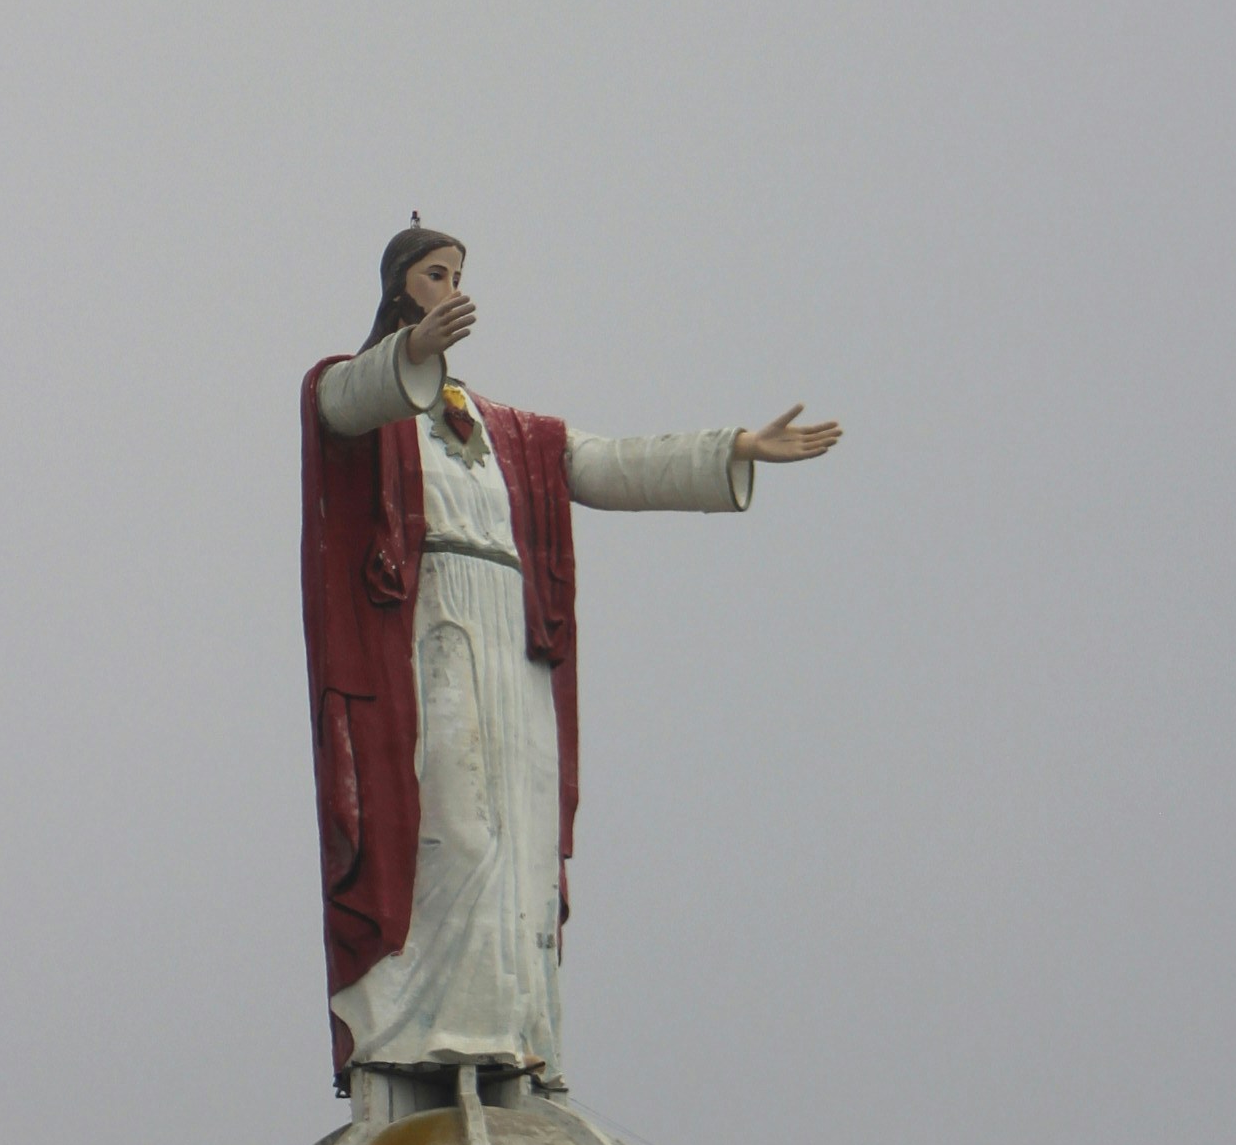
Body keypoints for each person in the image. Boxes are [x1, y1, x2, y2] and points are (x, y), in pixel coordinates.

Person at [301, 224, 839, 1086]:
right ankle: (428, 1021)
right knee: (452, 820)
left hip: (514, 639)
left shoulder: (506, 431)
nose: (452, 288)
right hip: (431, 629)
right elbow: (344, 402)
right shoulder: (357, 389)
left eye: (459, 277)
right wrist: (412, 351)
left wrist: (733, 448)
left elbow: (604, 464)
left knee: (518, 832)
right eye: (435, 276)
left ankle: (513, 1019)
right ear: (402, 287)